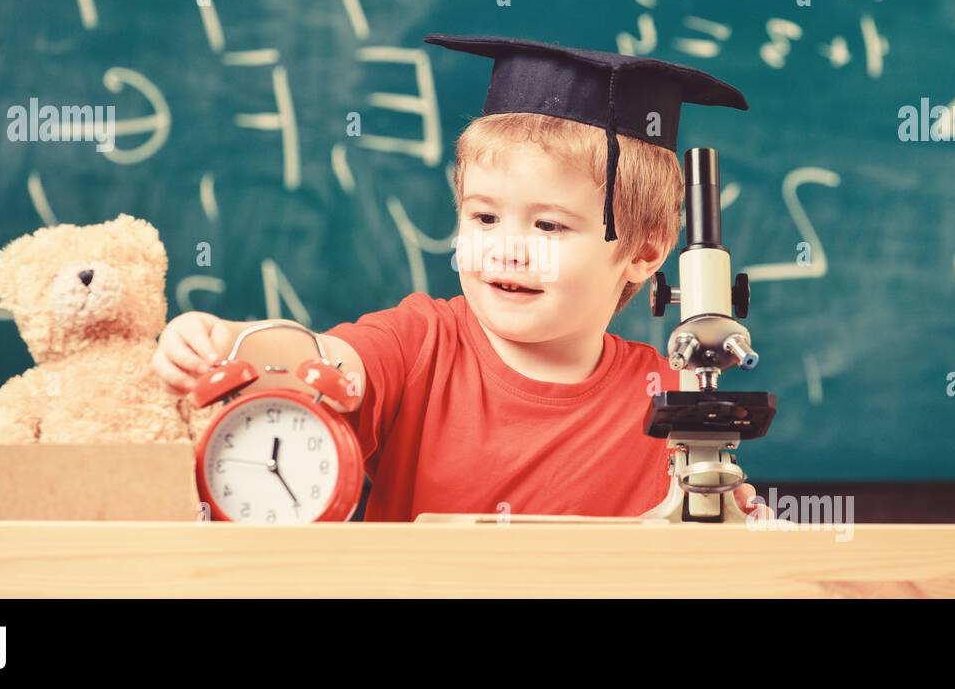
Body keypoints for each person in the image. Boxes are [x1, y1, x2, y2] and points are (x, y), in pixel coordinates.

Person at [153, 34, 775, 521]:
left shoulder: (672, 396)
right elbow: (326, 361)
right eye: (484, 217)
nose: (506, 250)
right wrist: (237, 342)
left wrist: (739, 525)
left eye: (549, 227)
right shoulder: (419, 342)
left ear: (642, 254)